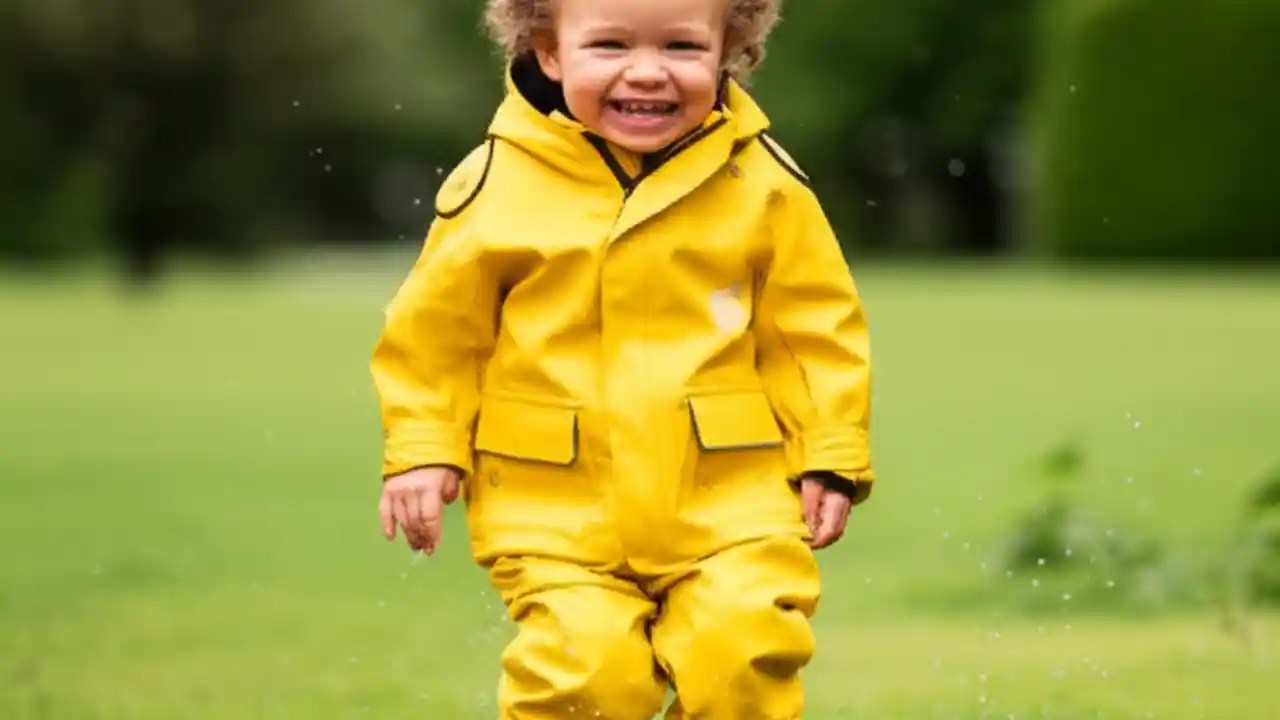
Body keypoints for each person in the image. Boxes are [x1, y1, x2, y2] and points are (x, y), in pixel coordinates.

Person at [370, 0, 875, 716]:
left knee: (743, 654)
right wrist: (424, 446)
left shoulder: (763, 181)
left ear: (729, 48)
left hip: (731, 499)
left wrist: (829, 450)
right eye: (609, 45)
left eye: (680, 46)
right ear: (548, 50)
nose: (647, 73)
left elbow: (813, 329)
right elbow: (436, 333)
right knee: (588, 679)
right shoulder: (495, 182)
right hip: (555, 508)